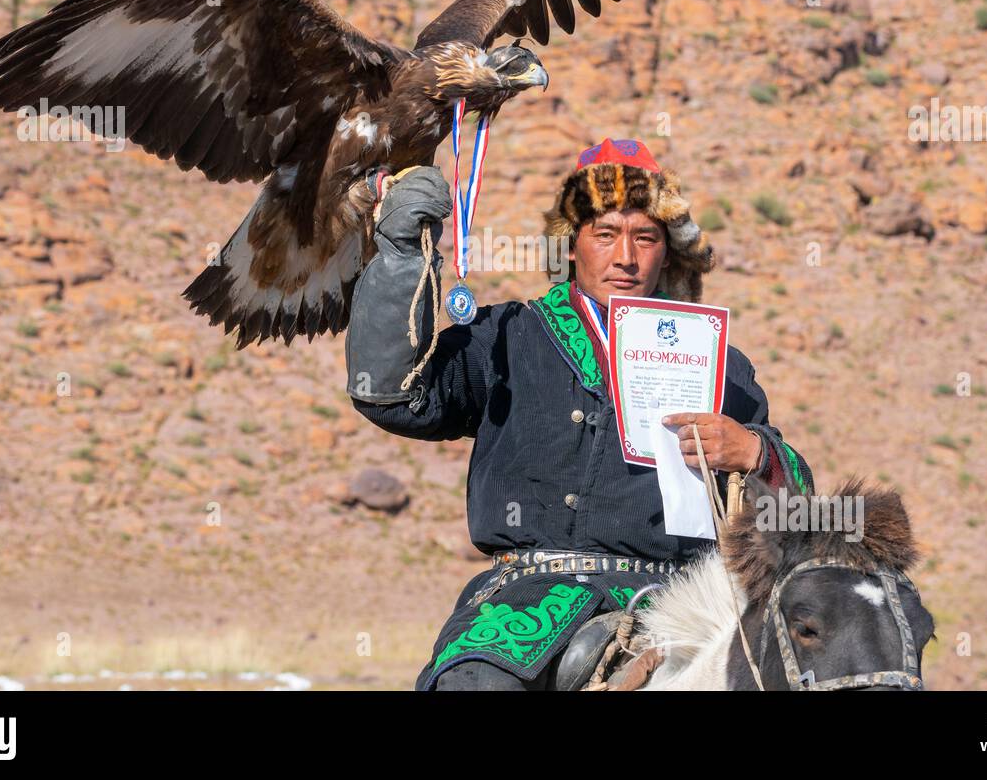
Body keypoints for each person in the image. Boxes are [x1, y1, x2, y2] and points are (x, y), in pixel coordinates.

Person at [344, 137, 813, 690]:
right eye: (606, 234)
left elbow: (794, 515)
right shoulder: (505, 337)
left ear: (667, 250)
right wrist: (401, 258)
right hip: (529, 599)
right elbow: (396, 397)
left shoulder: (719, 363)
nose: (626, 257)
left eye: (646, 237)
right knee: (475, 684)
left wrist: (756, 453)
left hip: (684, 601)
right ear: (571, 244)